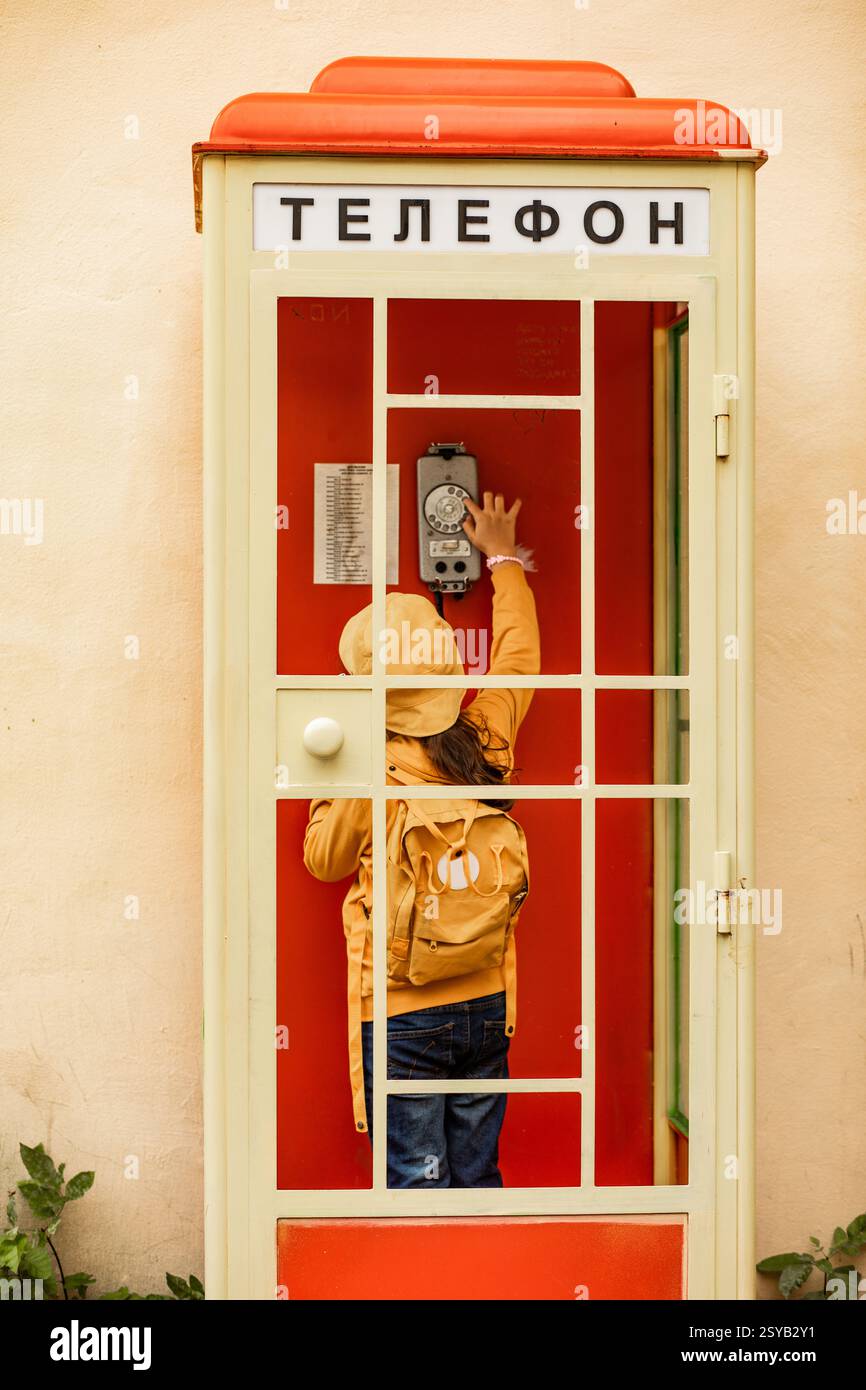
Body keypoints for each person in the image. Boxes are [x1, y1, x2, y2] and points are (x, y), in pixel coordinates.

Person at [303, 491, 540, 1187]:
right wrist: (502, 557)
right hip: (487, 1001)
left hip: (402, 1009)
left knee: (416, 1188)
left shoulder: (369, 766)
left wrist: (350, 744)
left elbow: (323, 860)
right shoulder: (486, 735)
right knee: (477, 1178)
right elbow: (519, 661)